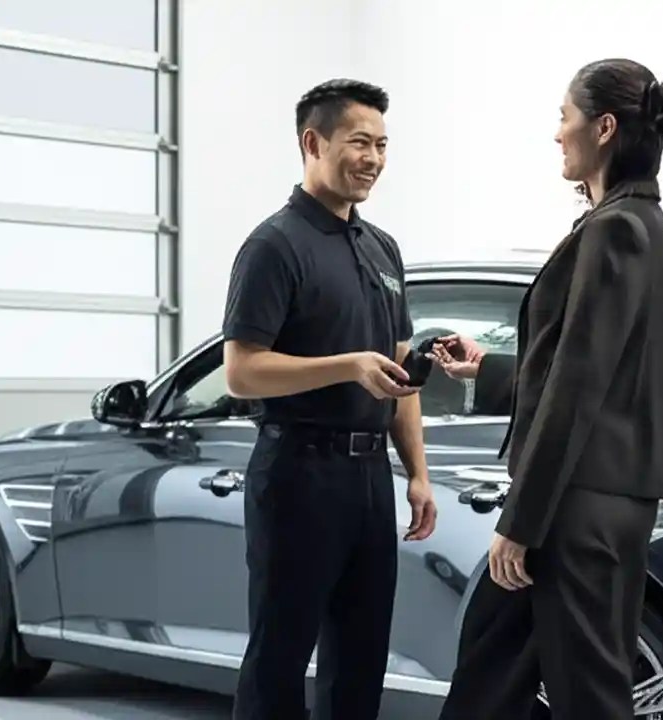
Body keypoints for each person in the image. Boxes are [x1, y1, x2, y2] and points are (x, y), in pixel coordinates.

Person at [431, 58, 663, 720]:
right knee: (489, 675)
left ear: (603, 128)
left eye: (564, 117)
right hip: (593, 500)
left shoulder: (617, 231)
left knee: (589, 696)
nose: (557, 134)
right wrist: (488, 370)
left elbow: (579, 390)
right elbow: (582, 372)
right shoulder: (644, 232)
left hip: (576, 510)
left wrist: (521, 523)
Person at [221, 78, 438, 720]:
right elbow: (242, 371)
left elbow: (398, 371)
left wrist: (418, 474)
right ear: (312, 143)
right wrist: (347, 367)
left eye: (381, 144)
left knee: (361, 658)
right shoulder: (274, 246)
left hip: (370, 478)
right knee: (280, 657)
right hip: (298, 475)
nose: (372, 158)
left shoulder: (381, 248)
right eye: (359, 142)